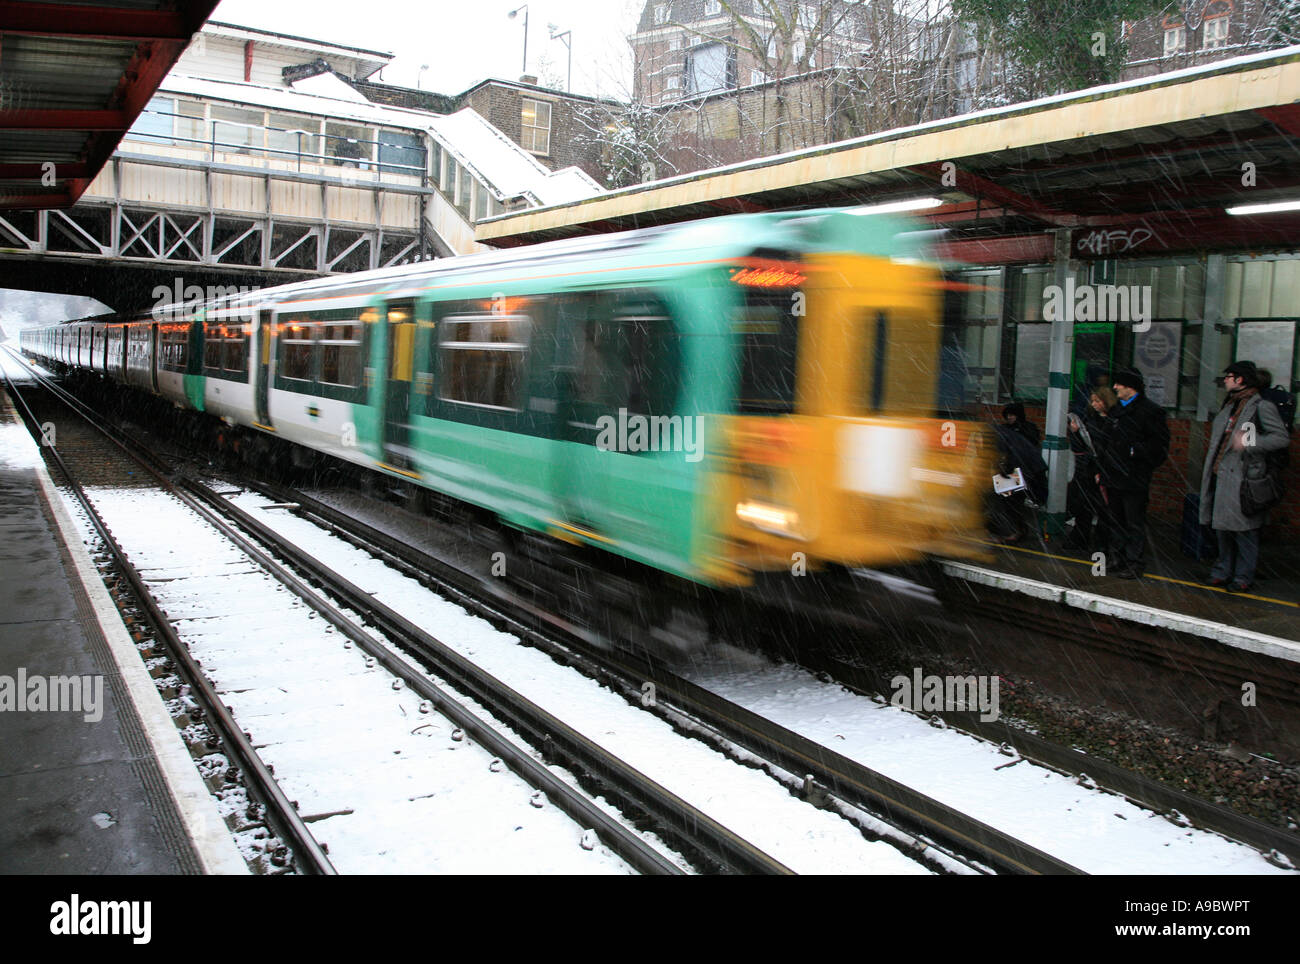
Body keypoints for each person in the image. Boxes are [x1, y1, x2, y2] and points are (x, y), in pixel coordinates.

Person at [1198, 360, 1290, 592]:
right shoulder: (1229, 405)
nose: (1225, 380)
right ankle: (1222, 571)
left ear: (1240, 380)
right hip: (1222, 475)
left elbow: (1280, 438)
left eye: (1229, 376)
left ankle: (1242, 576)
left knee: (1244, 531)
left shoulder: (1260, 406)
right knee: (1223, 529)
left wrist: (1250, 444)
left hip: (1243, 478)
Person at [1096, 368, 1169, 578]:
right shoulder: (1116, 410)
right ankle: (1117, 558)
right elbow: (1106, 442)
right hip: (1113, 475)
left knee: (1134, 522)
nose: (1115, 387)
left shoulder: (1151, 412)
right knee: (1115, 520)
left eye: (1119, 384)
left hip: (1134, 477)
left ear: (1131, 387)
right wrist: (1102, 468)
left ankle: (1134, 562)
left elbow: (1159, 447)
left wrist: (1133, 452)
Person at [1065, 386, 1117, 551]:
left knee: (1103, 509)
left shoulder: (1113, 422)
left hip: (1102, 468)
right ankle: (1081, 538)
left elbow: (1106, 447)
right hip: (1088, 468)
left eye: (1097, 401)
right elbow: (1081, 445)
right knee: (1083, 505)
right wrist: (1075, 432)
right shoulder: (1090, 419)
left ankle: (1102, 544)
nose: (1094, 404)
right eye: (1093, 401)